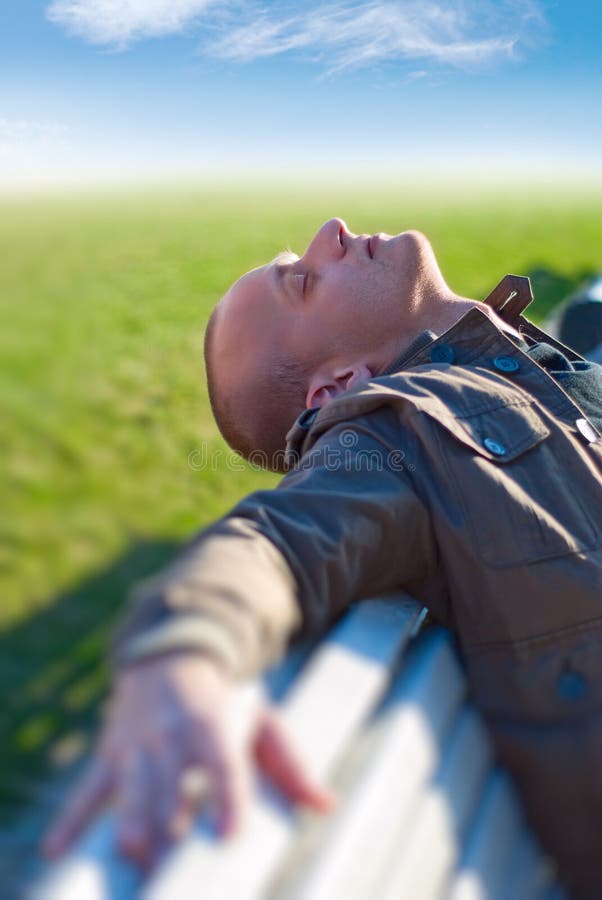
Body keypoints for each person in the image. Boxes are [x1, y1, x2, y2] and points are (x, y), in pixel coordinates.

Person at [44, 219, 602, 896]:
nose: (330, 230)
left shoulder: (522, 368)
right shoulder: (397, 433)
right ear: (337, 386)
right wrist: (182, 648)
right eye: (304, 281)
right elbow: (277, 539)